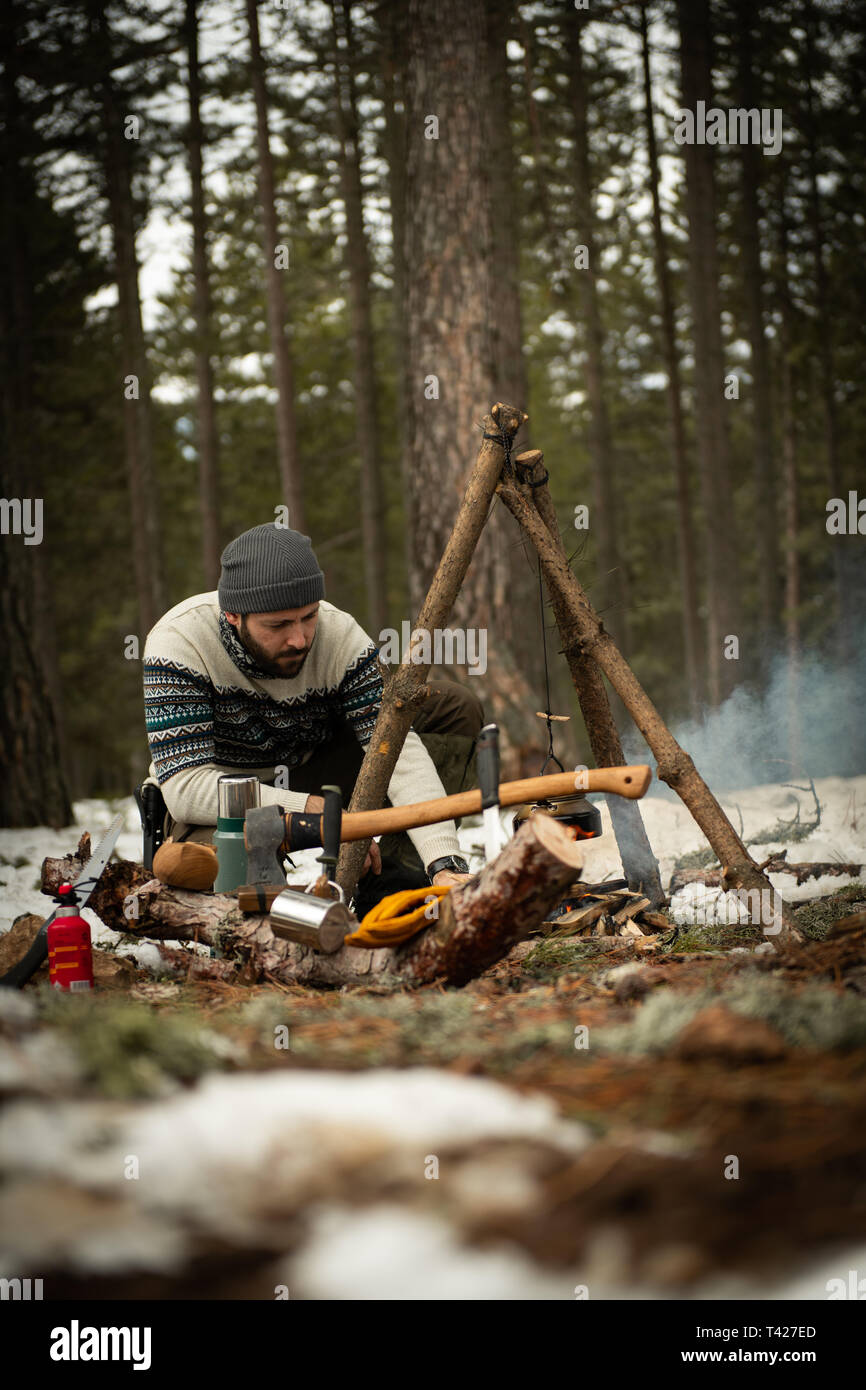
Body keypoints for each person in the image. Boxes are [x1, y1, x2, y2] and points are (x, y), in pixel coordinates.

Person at [141, 523, 480, 911]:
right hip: (218, 799)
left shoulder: (341, 636)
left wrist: (443, 861)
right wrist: (318, 814)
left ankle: (396, 886)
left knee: (449, 706)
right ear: (233, 615)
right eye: (279, 625)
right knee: (245, 897)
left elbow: (395, 750)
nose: (300, 639)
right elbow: (186, 788)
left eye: (308, 617)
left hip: (310, 767)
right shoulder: (179, 643)